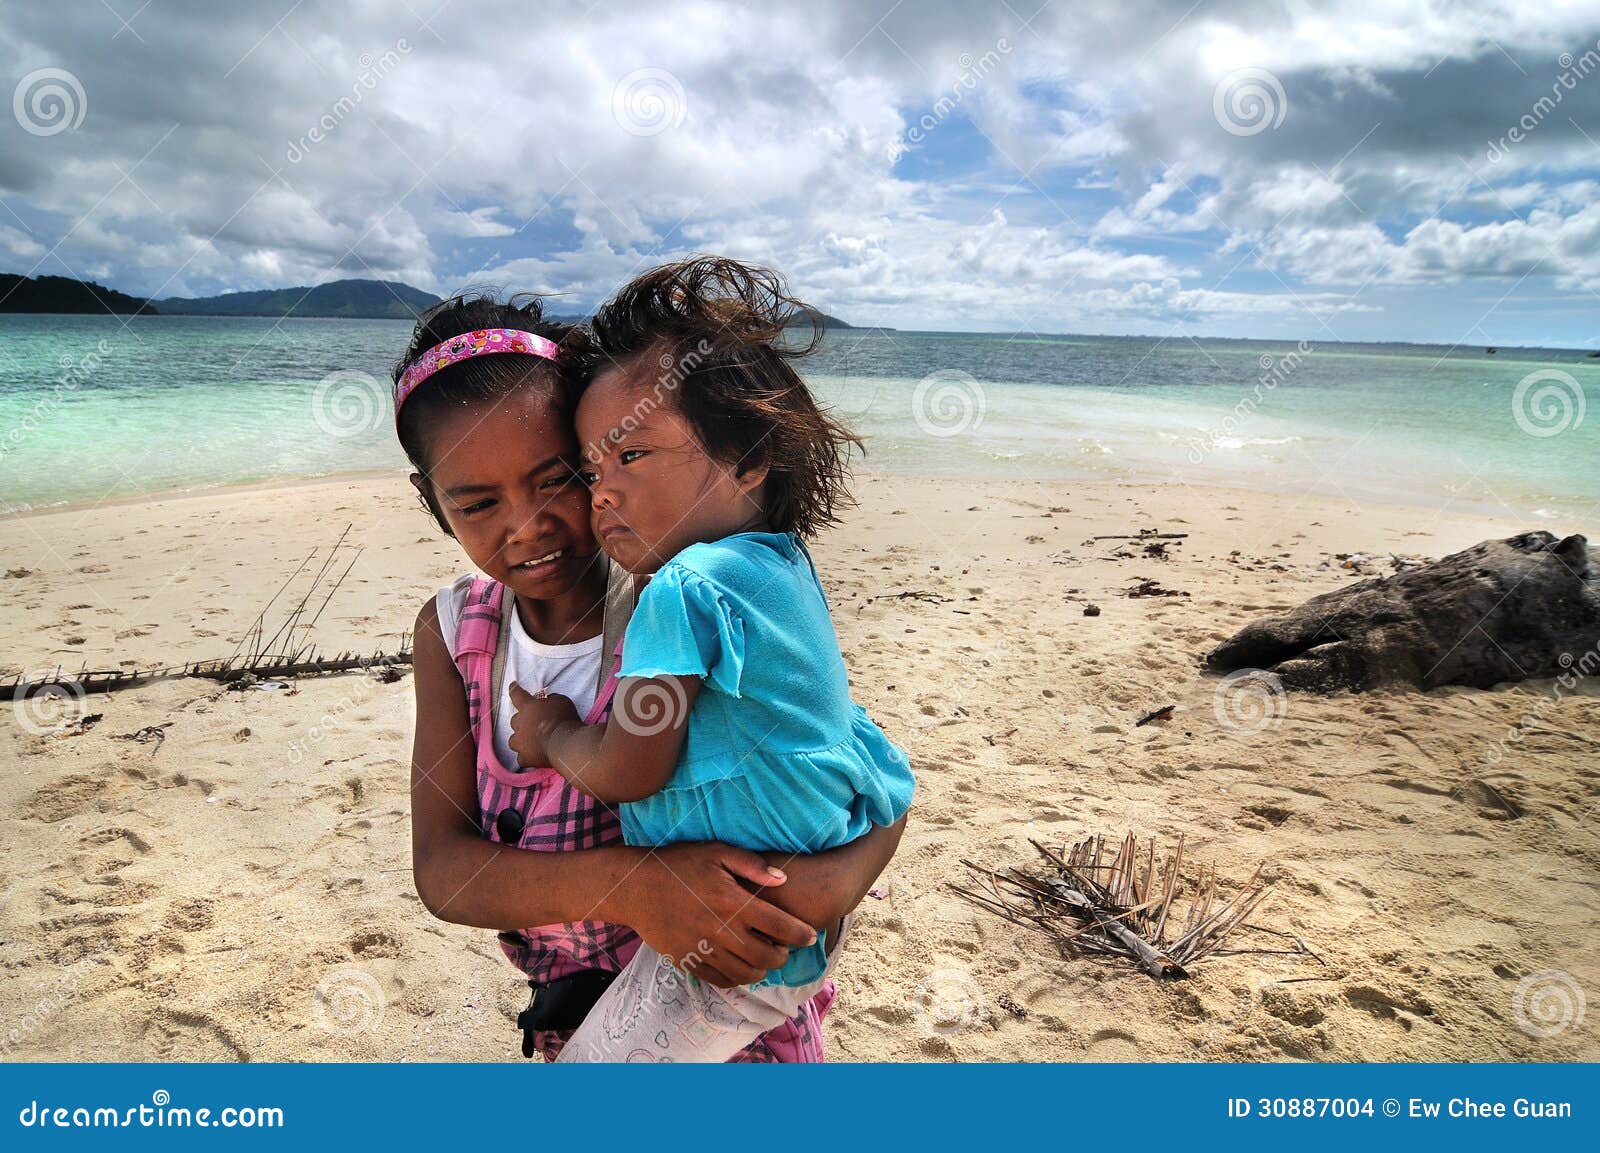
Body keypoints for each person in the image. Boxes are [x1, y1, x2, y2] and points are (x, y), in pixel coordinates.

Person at [397, 293, 904, 1061]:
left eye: (560, 477)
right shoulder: (454, 635)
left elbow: (846, 760)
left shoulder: (671, 591)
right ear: (432, 504)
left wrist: (832, 885)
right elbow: (444, 871)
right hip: (581, 1021)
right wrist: (636, 886)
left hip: (739, 1008)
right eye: (476, 503)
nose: (528, 524)